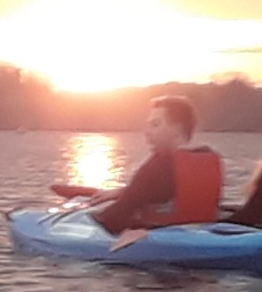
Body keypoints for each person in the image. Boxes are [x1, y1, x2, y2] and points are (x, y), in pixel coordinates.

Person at [52, 96, 223, 235]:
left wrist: (85, 218)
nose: (146, 132)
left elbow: (115, 216)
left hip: (160, 238)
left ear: (177, 130)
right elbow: (164, 192)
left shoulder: (158, 166)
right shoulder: (207, 156)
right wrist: (121, 192)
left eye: (155, 124)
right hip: (201, 232)